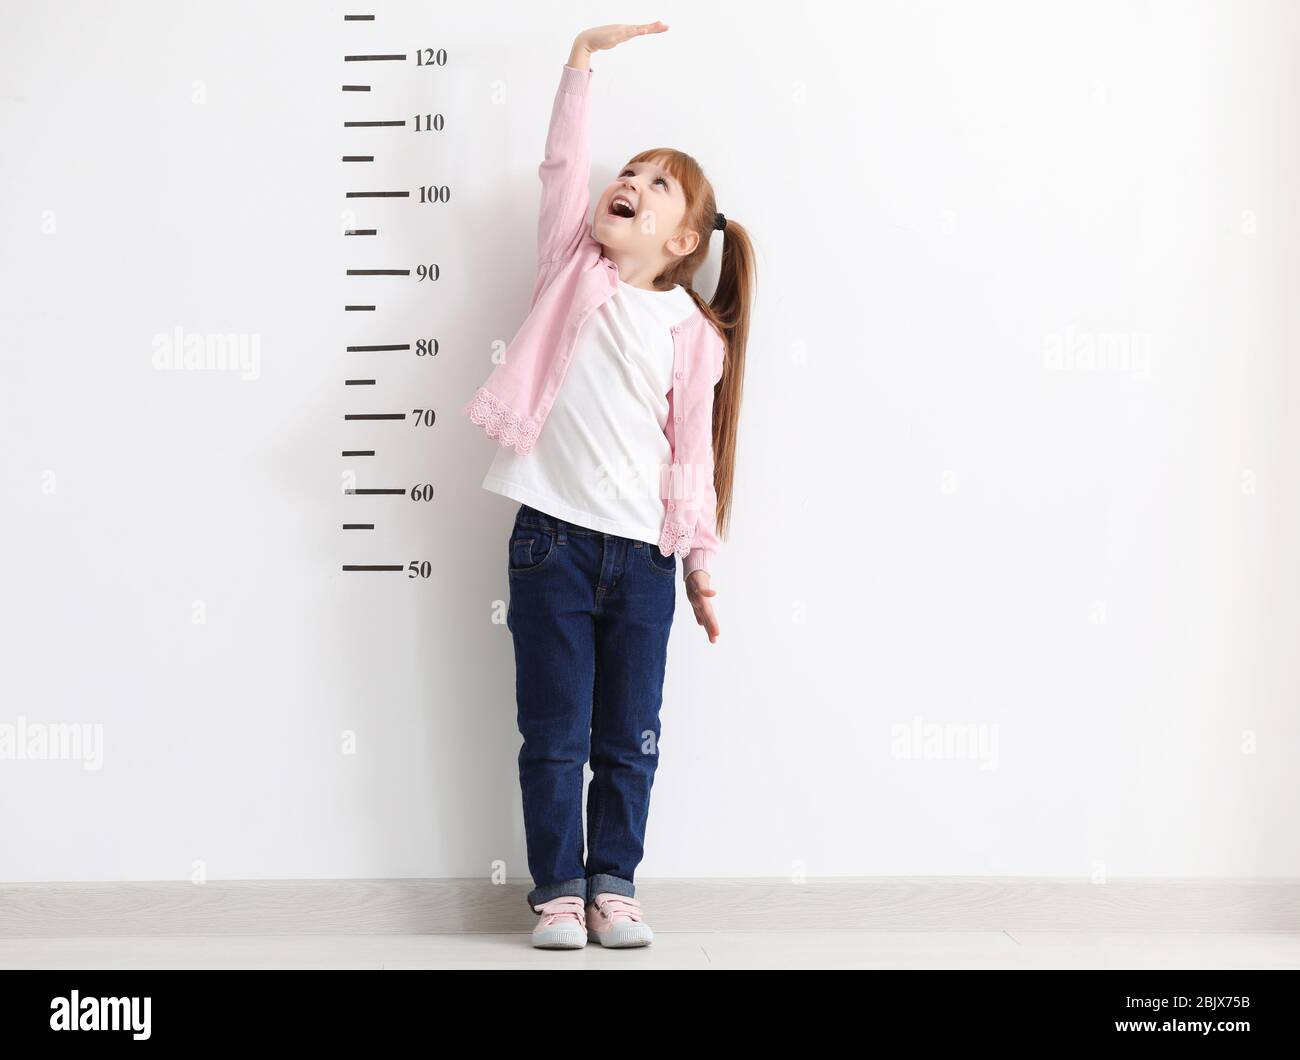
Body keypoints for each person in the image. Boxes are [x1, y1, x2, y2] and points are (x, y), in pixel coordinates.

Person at [463, 21, 756, 948]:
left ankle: (613, 887)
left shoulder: (692, 334)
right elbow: (563, 169)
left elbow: (690, 458)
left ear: (686, 239)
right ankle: (556, 893)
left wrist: (702, 568)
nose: (628, 181)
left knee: (628, 739)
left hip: (642, 559)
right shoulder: (571, 269)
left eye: (658, 181)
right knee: (551, 733)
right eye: (630, 169)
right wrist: (581, 61)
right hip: (550, 539)